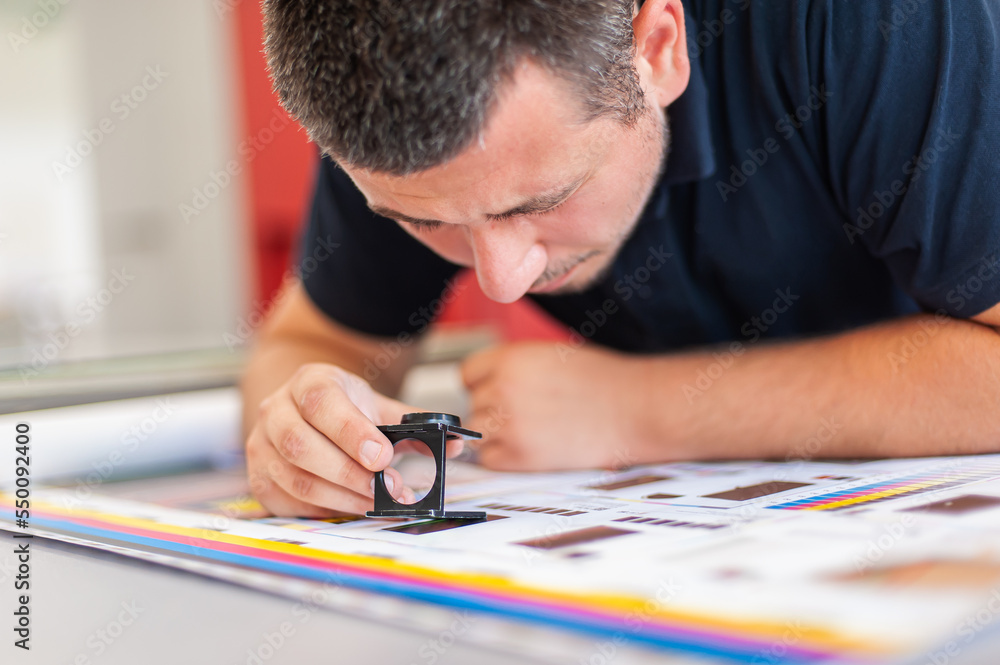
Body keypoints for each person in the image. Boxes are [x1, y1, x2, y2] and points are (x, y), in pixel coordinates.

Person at [241, 0, 1000, 518]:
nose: (501, 279)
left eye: (535, 202)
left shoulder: (869, 24)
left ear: (658, 47)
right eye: (422, 221)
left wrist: (638, 412)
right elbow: (316, 342)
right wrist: (303, 430)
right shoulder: (392, 105)